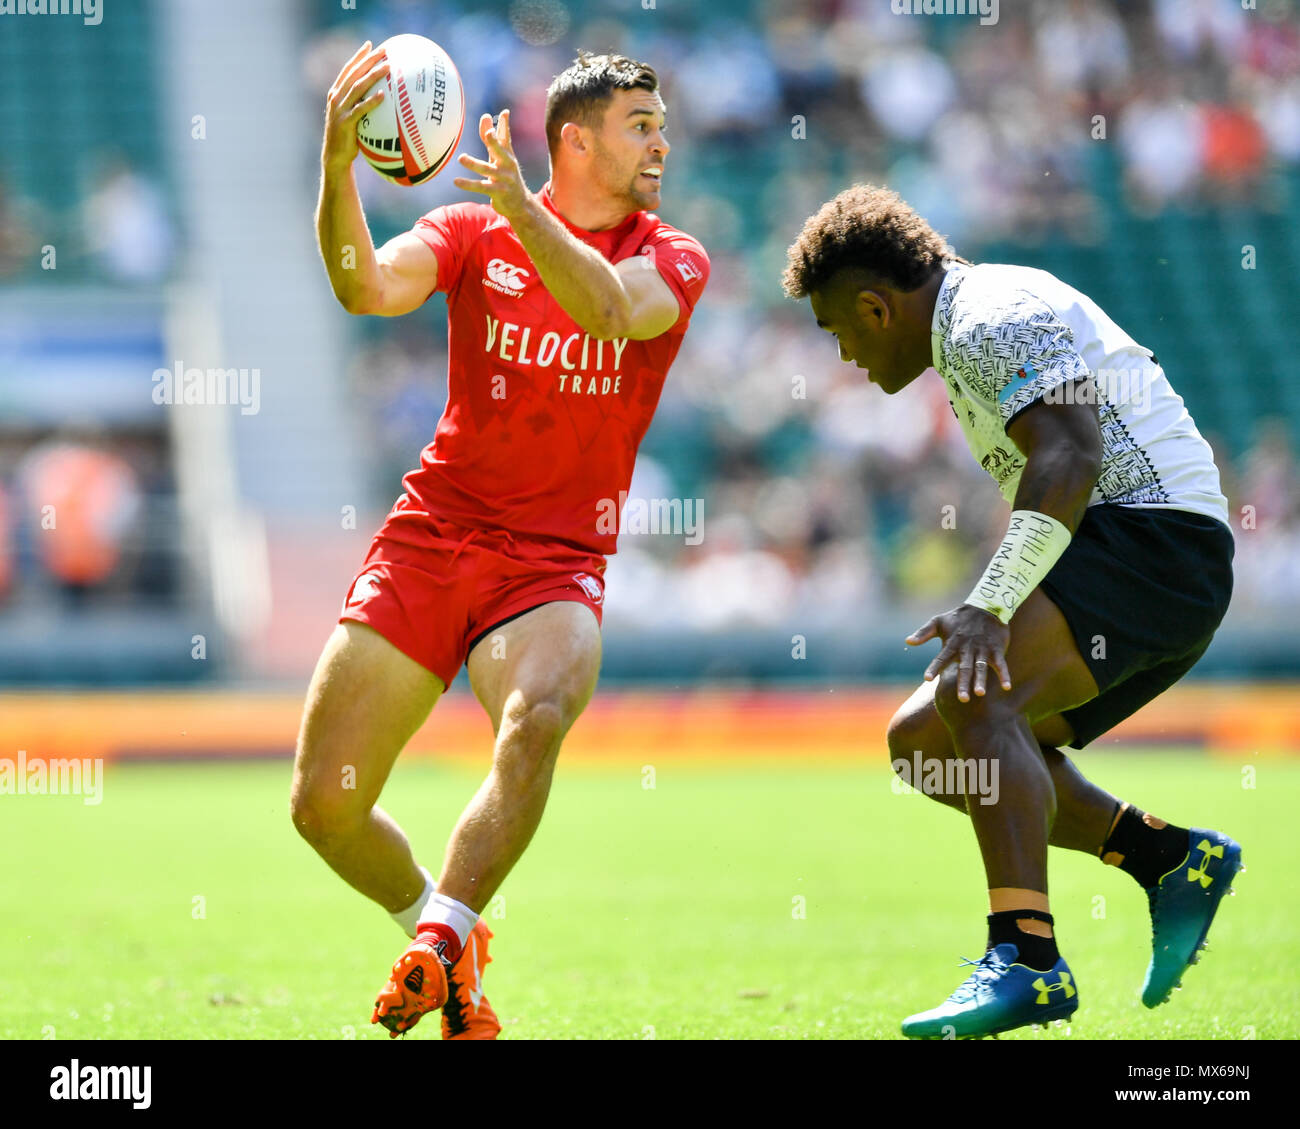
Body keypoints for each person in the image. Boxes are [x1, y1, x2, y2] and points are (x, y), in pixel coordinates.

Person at [295, 45, 709, 1039]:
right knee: (324, 808)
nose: (662, 141)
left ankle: (439, 937)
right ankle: (453, 950)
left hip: (553, 563)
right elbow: (364, 288)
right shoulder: (470, 231)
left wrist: (527, 213)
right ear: (577, 139)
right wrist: (336, 168)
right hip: (431, 537)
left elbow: (610, 311)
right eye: (639, 125)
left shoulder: (675, 253)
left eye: (660, 124)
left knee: (536, 715)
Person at [783, 184, 1240, 1039]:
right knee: (925, 744)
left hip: (1152, 545)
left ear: (877, 306)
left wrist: (990, 607)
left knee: (970, 692)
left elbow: (1070, 453)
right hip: (1148, 556)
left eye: (837, 328)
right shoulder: (971, 323)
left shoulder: (990, 315)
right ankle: (1169, 857)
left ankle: (1027, 959)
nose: (843, 353)